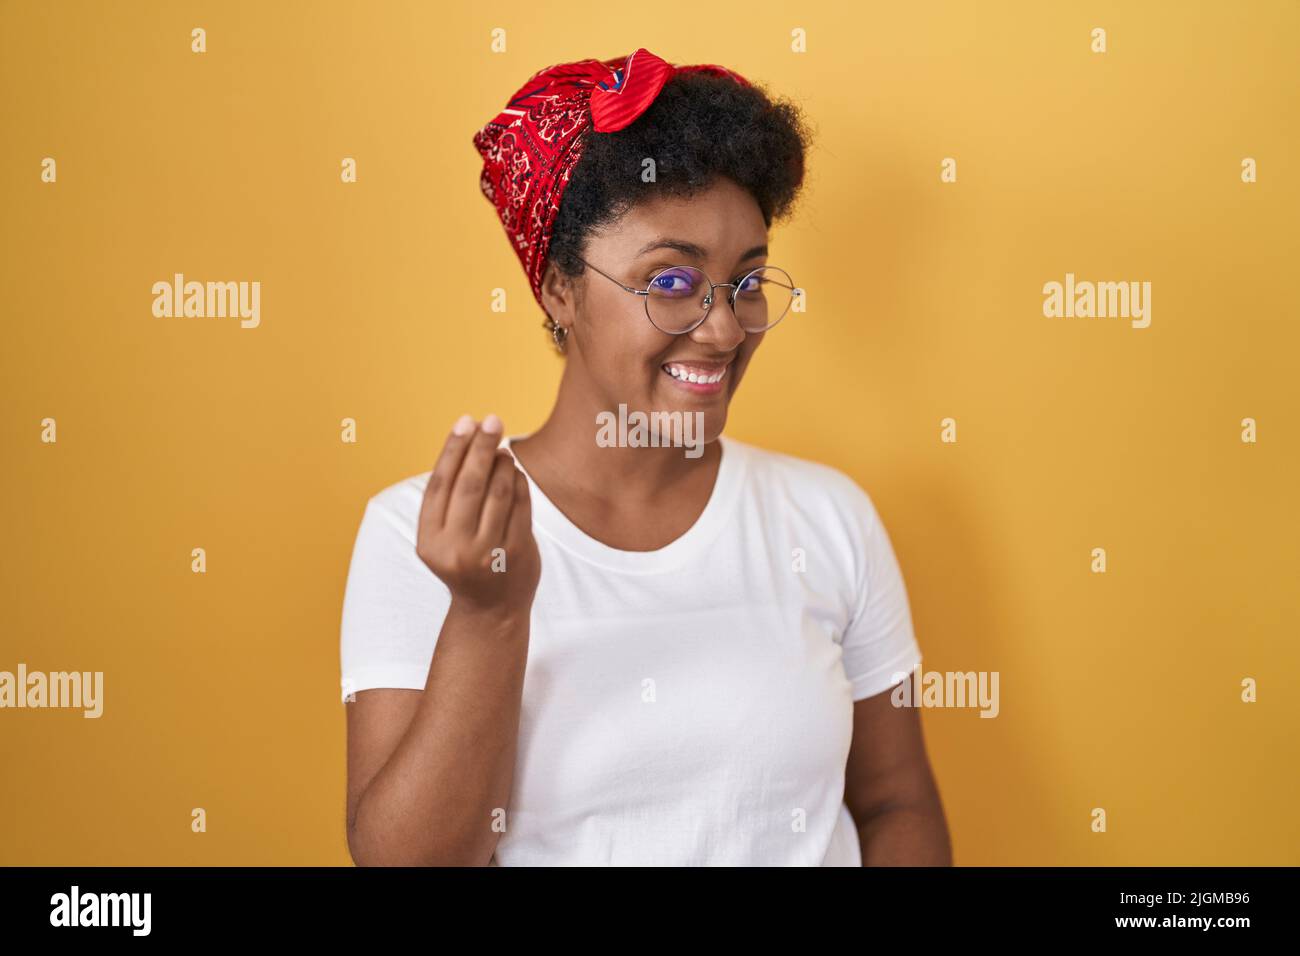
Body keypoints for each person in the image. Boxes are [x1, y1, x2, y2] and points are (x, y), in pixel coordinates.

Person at [340, 48, 951, 866]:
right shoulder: (423, 534)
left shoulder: (830, 518)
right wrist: (490, 615)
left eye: (748, 281)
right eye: (670, 282)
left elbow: (895, 803)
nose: (726, 329)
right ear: (560, 287)